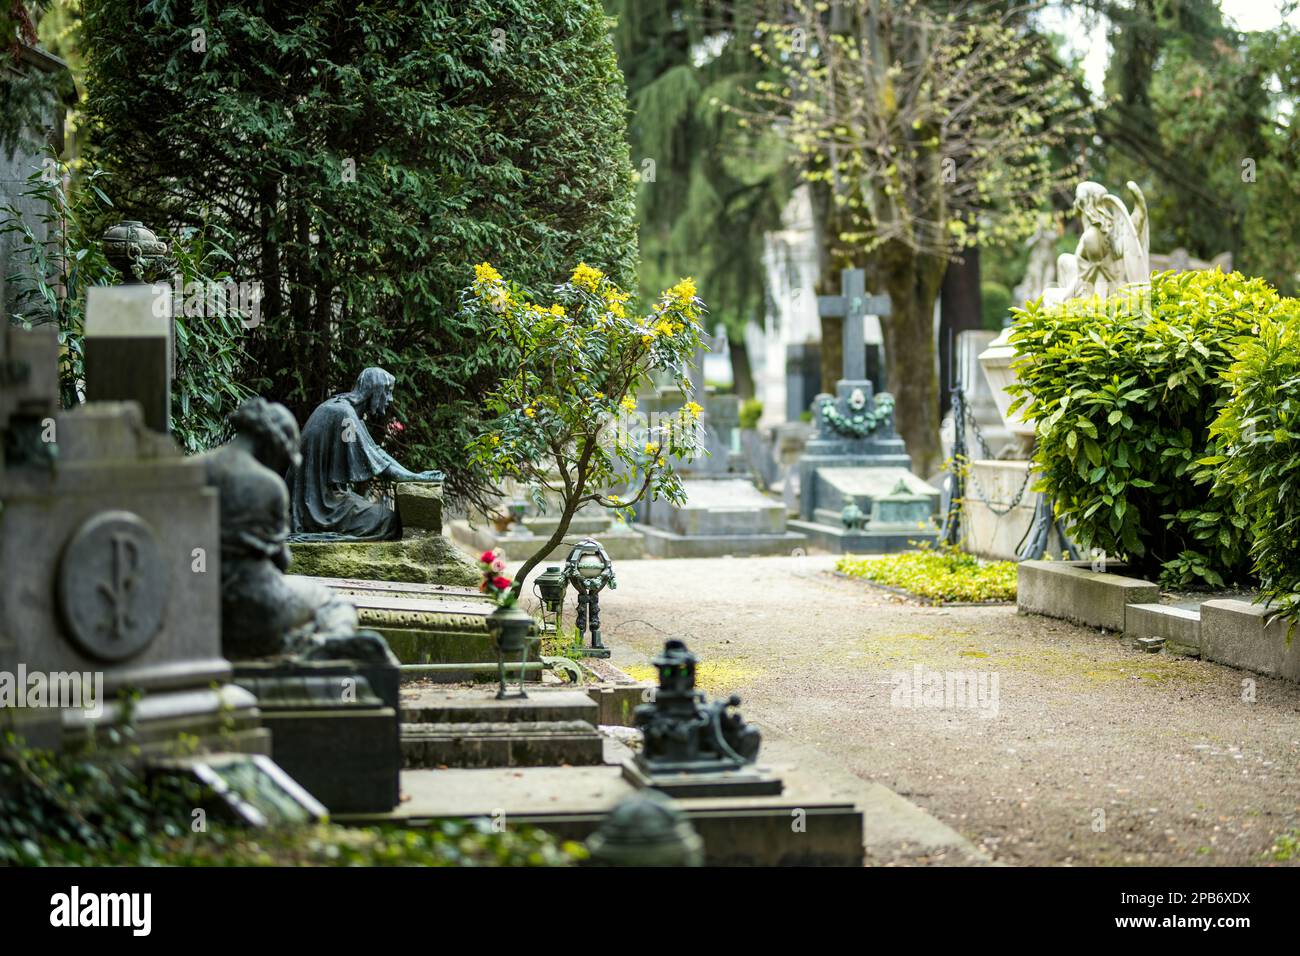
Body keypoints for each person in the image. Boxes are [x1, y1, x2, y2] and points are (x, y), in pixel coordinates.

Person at [287, 367, 443, 539]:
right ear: (375, 390)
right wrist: (415, 478)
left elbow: (376, 452)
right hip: (319, 507)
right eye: (388, 392)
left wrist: (413, 475)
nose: (390, 399)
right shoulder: (344, 414)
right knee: (389, 522)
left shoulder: (344, 409)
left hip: (317, 501)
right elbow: (374, 461)